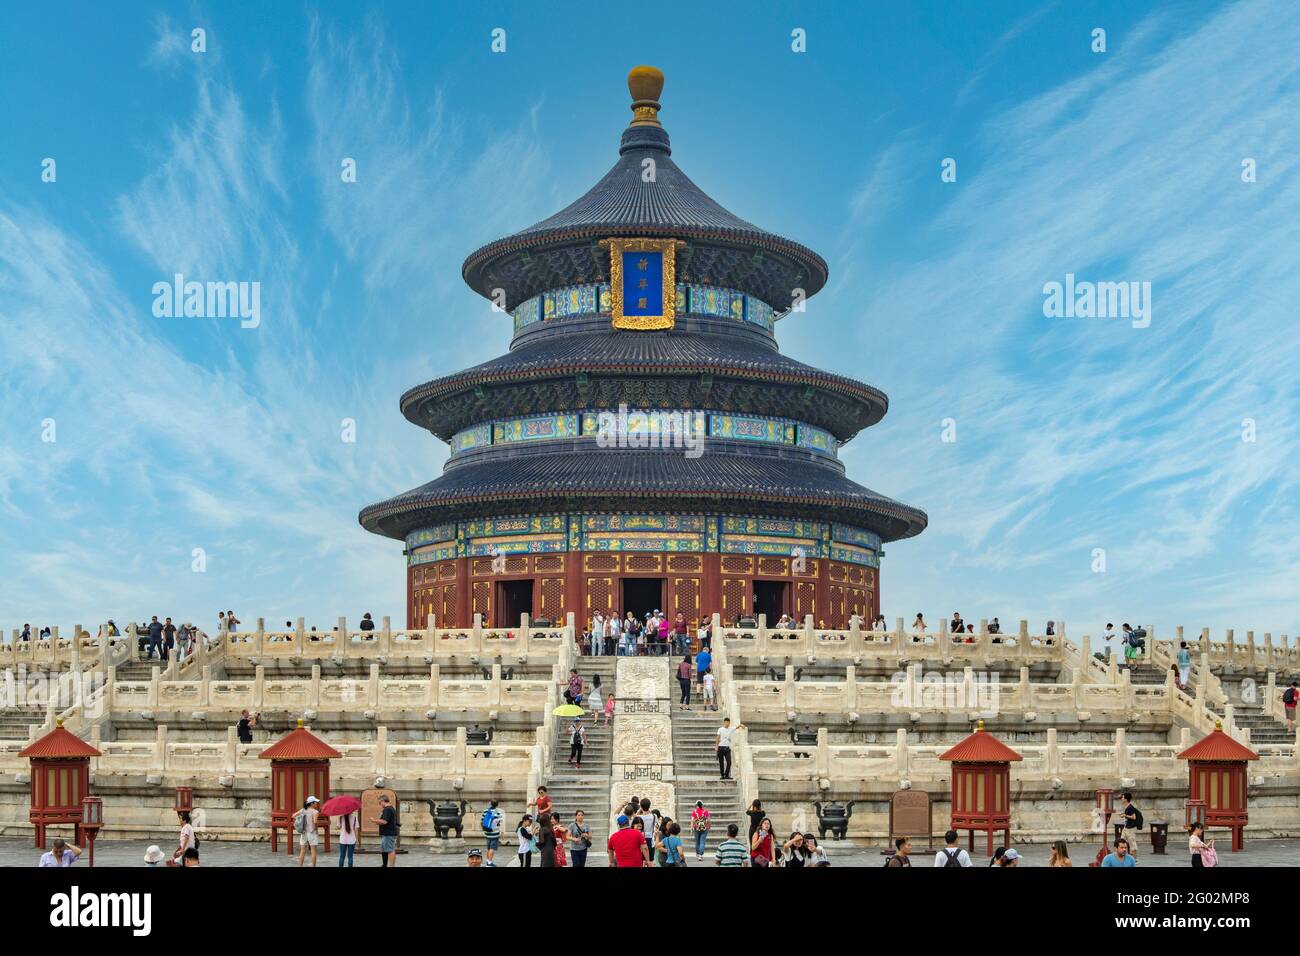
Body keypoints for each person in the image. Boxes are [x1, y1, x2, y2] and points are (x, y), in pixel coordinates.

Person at [293, 796, 321, 867]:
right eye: (315, 802)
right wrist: (317, 829)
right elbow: (315, 822)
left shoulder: (303, 810)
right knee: (313, 851)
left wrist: (299, 820)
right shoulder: (315, 812)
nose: (317, 803)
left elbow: (293, 816)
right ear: (312, 803)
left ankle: (300, 865)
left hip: (304, 832)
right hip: (312, 832)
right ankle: (313, 865)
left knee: (302, 851)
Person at [374, 793, 398, 867]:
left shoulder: (387, 809)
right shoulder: (390, 809)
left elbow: (384, 821)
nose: (380, 804)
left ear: (383, 800)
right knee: (385, 850)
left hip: (388, 834)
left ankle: (391, 866)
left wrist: (374, 820)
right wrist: (378, 822)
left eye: (379, 802)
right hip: (387, 833)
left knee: (390, 850)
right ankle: (384, 864)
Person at [481, 799, 503, 866]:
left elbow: (482, 820)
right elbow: (499, 823)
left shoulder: (485, 811)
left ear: (490, 804)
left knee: (488, 848)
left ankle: (488, 861)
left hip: (487, 833)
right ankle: (489, 863)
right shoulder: (498, 813)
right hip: (495, 834)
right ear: (497, 805)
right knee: (492, 848)